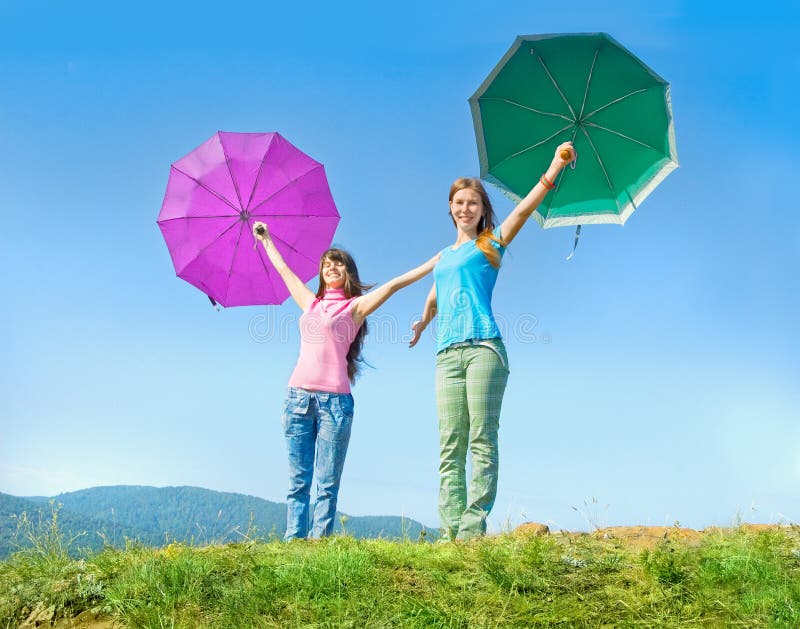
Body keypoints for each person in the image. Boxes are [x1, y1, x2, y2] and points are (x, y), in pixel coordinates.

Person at [409, 142, 576, 541]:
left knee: (481, 439)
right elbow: (436, 294)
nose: (465, 208)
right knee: (450, 445)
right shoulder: (443, 257)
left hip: (484, 349)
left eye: (473, 203)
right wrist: (423, 322)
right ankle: (449, 533)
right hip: (446, 354)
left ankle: (471, 530)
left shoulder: (489, 244)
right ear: (450, 208)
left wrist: (555, 166)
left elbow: (522, 211)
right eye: (459, 202)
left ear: (482, 209)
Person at [253, 221, 439, 540]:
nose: (330, 266)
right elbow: (284, 271)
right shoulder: (310, 303)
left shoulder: (355, 308)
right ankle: (293, 542)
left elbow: (394, 285)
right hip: (298, 398)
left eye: (337, 262)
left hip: (335, 404)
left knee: (327, 484)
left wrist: (434, 262)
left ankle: (319, 543)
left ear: (347, 271)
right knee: (298, 482)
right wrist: (266, 239)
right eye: (326, 263)